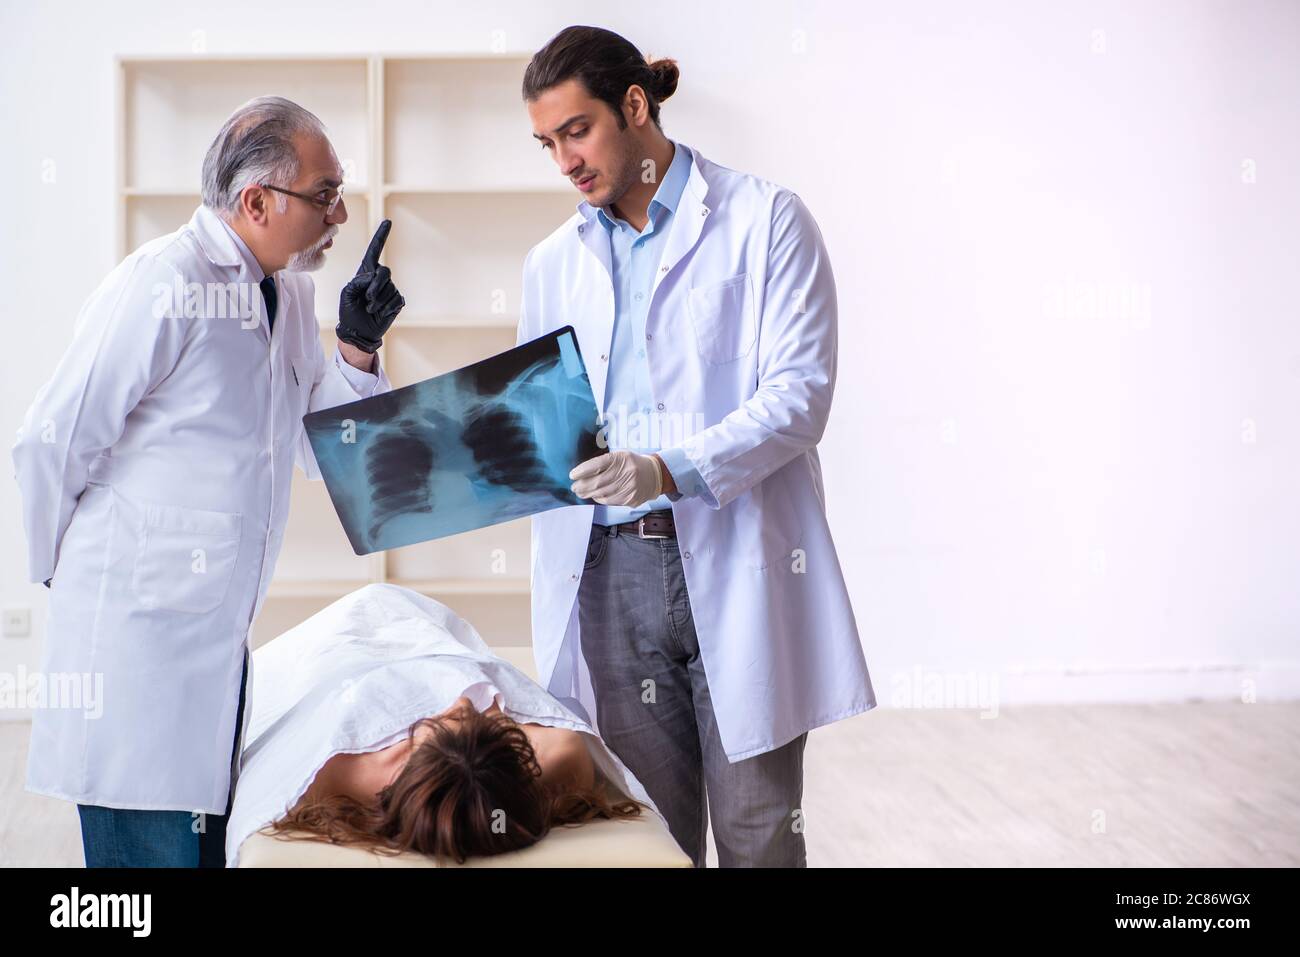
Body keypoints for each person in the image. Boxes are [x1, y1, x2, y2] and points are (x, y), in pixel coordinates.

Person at [11, 95, 406, 867]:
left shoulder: (287, 292)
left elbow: (315, 442)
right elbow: (48, 440)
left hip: (214, 645)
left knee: (199, 853)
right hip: (131, 652)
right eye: (324, 195)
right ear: (256, 201)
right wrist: (70, 576)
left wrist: (356, 345)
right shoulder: (163, 279)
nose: (340, 214)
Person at [519, 26, 877, 867]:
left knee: (757, 832)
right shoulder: (550, 263)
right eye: (547, 143)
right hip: (609, 578)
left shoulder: (766, 220)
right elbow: (544, 420)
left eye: (577, 130)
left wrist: (664, 467)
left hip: (736, 555)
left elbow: (798, 398)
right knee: (649, 842)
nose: (565, 160)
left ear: (635, 106)